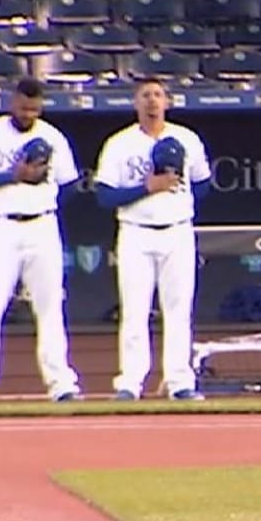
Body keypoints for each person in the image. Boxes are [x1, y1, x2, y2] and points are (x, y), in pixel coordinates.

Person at [0, 79, 83, 404]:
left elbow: (68, 184)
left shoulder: (52, 136)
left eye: (35, 109)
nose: (29, 114)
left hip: (41, 224)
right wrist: (13, 177)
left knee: (50, 306)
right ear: (13, 102)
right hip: (0, 225)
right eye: (24, 107)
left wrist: (38, 198)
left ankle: (60, 382)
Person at [93, 77, 214, 401]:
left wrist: (178, 189)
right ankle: (130, 382)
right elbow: (104, 196)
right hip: (136, 232)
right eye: (145, 95)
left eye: (158, 95)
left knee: (178, 309)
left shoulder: (186, 138)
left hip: (177, 230)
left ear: (167, 102)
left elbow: (203, 184)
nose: (152, 101)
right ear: (136, 103)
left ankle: (179, 381)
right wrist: (147, 187)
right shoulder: (120, 143)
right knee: (134, 310)